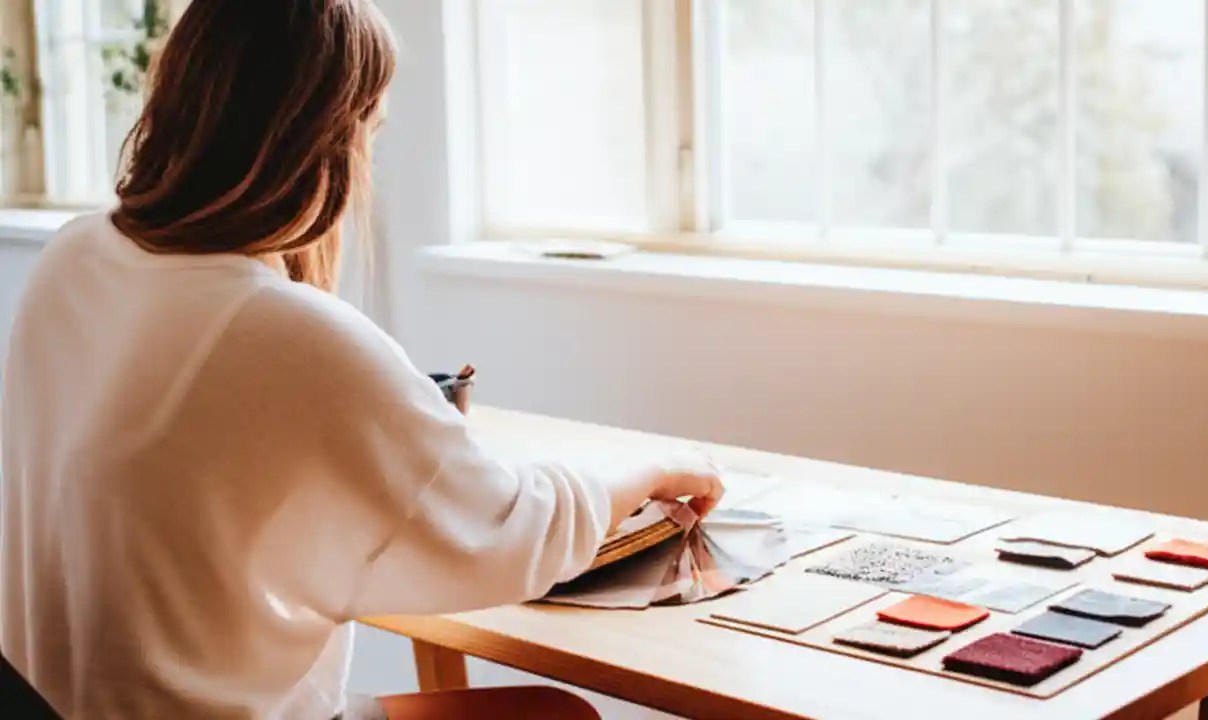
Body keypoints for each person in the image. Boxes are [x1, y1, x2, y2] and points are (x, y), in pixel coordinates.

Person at [0, 1, 723, 718]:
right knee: (553, 716)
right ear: (323, 139)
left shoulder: (78, 254)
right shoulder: (287, 331)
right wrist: (656, 470)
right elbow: (513, 537)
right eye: (368, 131)